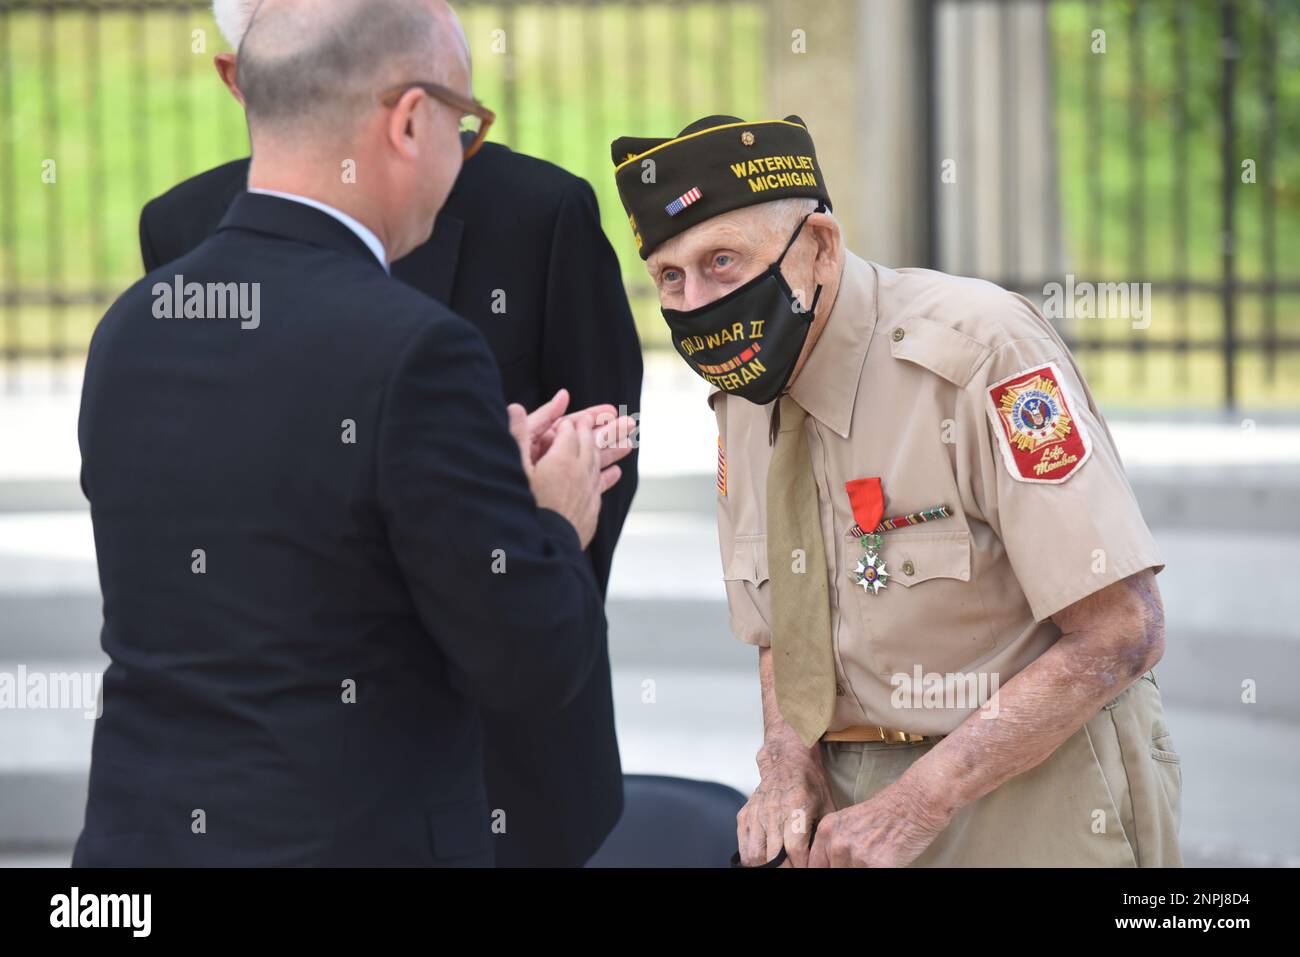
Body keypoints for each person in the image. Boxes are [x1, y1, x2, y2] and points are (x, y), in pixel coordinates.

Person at [73, 0, 631, 867]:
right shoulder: (418, 351)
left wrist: (480, 489)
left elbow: (279, 567)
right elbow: (530, 658)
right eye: (465, 125)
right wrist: (548, 517)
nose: (466, 152)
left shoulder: (130, 329)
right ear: (411, 121)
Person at [610, 114, 1182, 867]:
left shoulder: (981, 355)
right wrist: (788, 760)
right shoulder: (742, 400)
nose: (695, 303)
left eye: (722, 261)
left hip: (1037, 793)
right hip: (850, 817)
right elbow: (786, 630)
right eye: (670, 278)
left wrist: (919, 800)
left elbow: (1122, 630)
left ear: (818, 248)